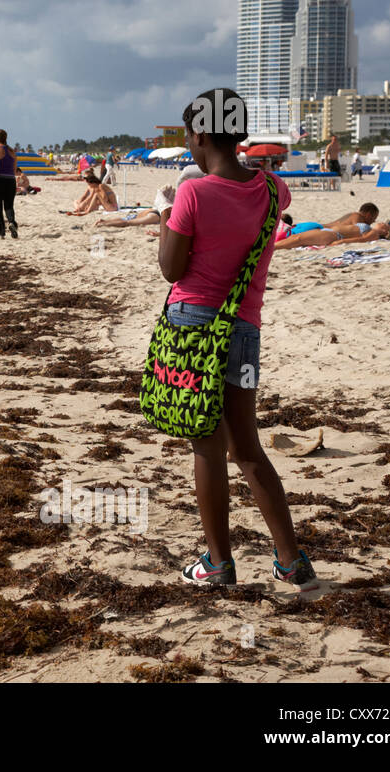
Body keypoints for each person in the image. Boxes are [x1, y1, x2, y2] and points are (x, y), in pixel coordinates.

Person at [156, 87, 317, 592]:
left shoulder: (193, 193)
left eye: (188, 136)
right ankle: (291, 562)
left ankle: (219, 563)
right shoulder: (274, 191)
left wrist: (166, 216)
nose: (187, 145)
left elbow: (170, 268)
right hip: (244, 330)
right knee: (247, 447)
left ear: (201, 134)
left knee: (206, 447)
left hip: (192, 326)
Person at [274, 220, 390, 249]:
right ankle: (271, 247)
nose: (381, 222)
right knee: (296, 238)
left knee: (298, 239)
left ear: (385, 232)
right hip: (331, 233)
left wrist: (341, 242)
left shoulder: (373, 233)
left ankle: (271, 248)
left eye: (384, 225)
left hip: (335, 236)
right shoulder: (371, 229)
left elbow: (361, 239)